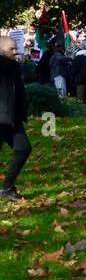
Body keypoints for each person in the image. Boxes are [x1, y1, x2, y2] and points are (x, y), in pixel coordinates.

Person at [0, 34, 31, 201]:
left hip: (12, 118)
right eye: (11, 49)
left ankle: (6, 187)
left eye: (15, 48)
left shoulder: (14, 66)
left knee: (23, 148)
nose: (15, 51)